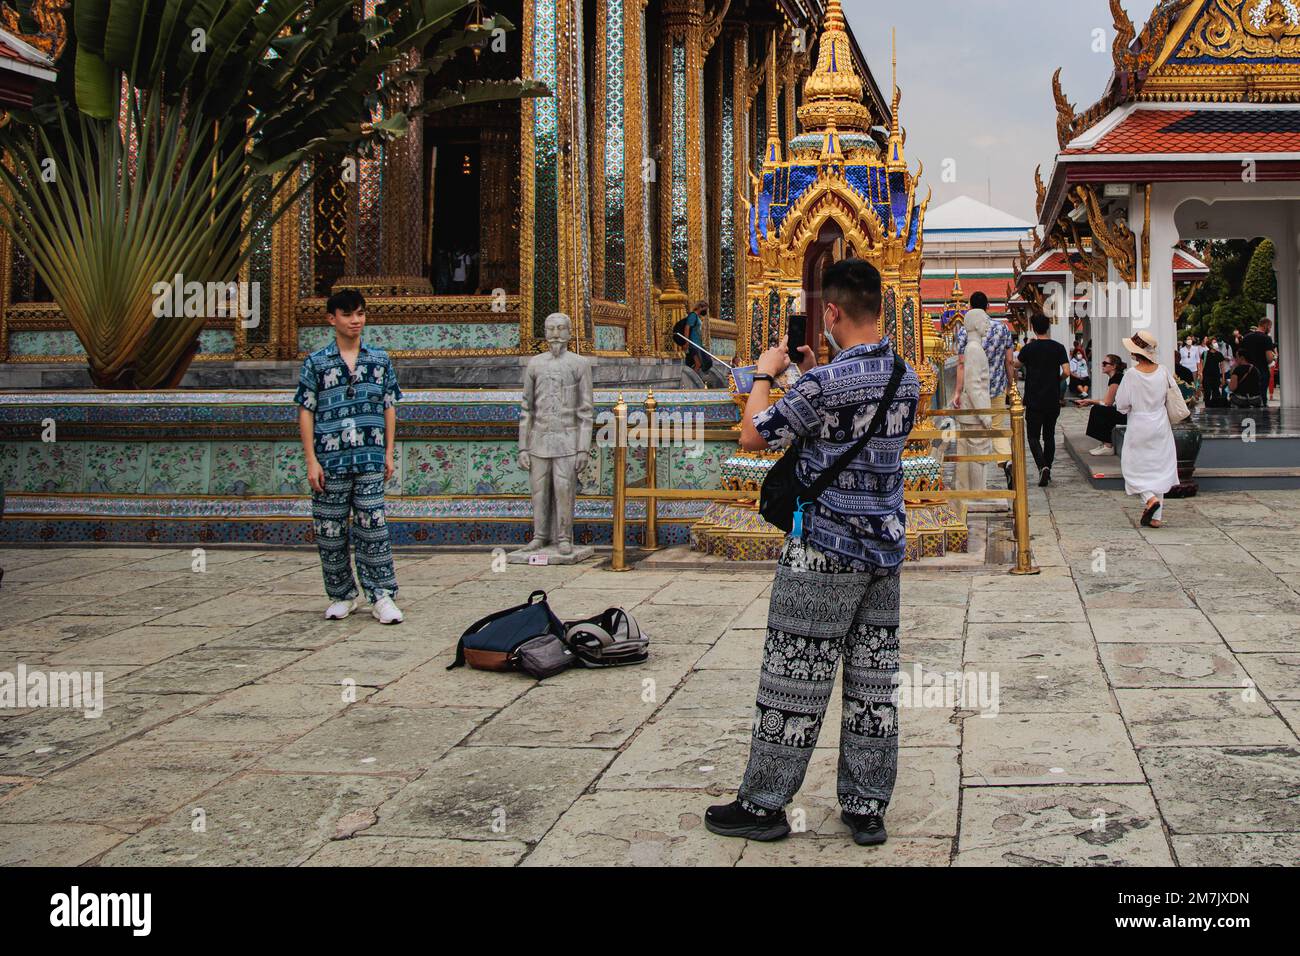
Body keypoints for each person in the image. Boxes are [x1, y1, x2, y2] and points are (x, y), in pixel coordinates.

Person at [706, 258, 919, 848]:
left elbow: (754, 435)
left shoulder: (825, 384)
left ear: (830, 313)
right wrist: (807, 381)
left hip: (823, 549)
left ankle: (764, 804)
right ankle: (867, 807)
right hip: (884, 549)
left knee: (794, 676)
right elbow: (854, 431)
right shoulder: (906, 377)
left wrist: (765, 374)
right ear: (879, 305)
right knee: (872, 679)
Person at [295, 289, 404, 624]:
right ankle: (341, 594)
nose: (355, 321)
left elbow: (389, 407)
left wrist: (388, 452)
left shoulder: (379, 360)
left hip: (370, 456)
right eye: (347, 315)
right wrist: (311, 460)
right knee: (330, 530)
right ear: (332, 319)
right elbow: (306, 411)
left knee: (373, 526)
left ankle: (381, 595)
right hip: (331, 459)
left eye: (360, 313)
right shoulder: (316, 363)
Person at [1115, 331, 1179, 528]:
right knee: (1157, 467)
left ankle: (1149, 498)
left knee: (1133, 467)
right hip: (1160, 422)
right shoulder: (1163, 371)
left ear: (1135, 353)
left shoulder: (1131, 375)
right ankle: (1156, 517)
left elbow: (1121, 405)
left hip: (1139, 423)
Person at [954, 292, 1015, 488]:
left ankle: (976, 488)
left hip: (974, 395)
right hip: (996, 387)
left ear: (970, 305)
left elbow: (962, 364)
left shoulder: (964, 332)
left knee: (975, 441)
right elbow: (1010, 360)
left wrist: (957, 391)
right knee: (996, 429)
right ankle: (1005, 461)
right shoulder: (1001, 328)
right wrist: (1010, 386)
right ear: (988, 306)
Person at [1016, 313, 1070, 486]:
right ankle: (1048, 467)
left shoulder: (1029, 349)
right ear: (1048, 327)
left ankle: (1042, 466)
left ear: (1032, 328)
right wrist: (1057, 380)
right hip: (1052, 398)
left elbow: (1016, 364)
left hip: (1033, 398)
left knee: (1033, 436)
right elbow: (1067, 372)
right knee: (1049, 436)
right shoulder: (1058, 347)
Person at [954, 308, 992, 493]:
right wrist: (984, 414)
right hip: (976, 412)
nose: (988, 325)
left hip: (974, 410)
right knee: (978, 453)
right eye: (985, 321)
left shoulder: (973, 348)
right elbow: (973, 384)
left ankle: (977, 490)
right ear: (976, 324)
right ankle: (977, 493)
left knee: (977, 452)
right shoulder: (974, 349)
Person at [1080, 354, 1127, 455]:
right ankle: (1104, 443)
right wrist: (1090, 401)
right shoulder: (1115, 378)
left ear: (1113, 366)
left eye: (1105, 363)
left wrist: (1090, 401)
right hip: (1123, 411)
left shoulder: (1117, 378)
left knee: (1098, 410)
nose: (1102, 365)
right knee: (1099, 409)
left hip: (1126, 414)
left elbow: (1107, 403)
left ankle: (1107, 445)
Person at [1241, 319, 1277, 405]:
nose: (1270, 329)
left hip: (1247, 372)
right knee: (1261, 397)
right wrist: (1274, 357)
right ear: (1265, 326)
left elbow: (1240, 355)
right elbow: (1269, 358)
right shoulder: (1266, 338)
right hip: (1262, 371)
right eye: (1270, 327)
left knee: (1247, 397)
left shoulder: (1246, 337)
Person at [1199, 335, 1227, 408]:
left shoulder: (1219, 354)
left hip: (1216, 376)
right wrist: (1200, 376)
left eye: (1216, 342)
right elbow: (1201, 365)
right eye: (1214, 342)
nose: (1216, 344)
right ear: (1210, 345)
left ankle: (1215, 408)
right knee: (1207, 392)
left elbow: (1222, 367)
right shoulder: (1205, 354)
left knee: (1216, 392)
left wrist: (1223, 377)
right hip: (1206, 376)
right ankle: (1207, 407)